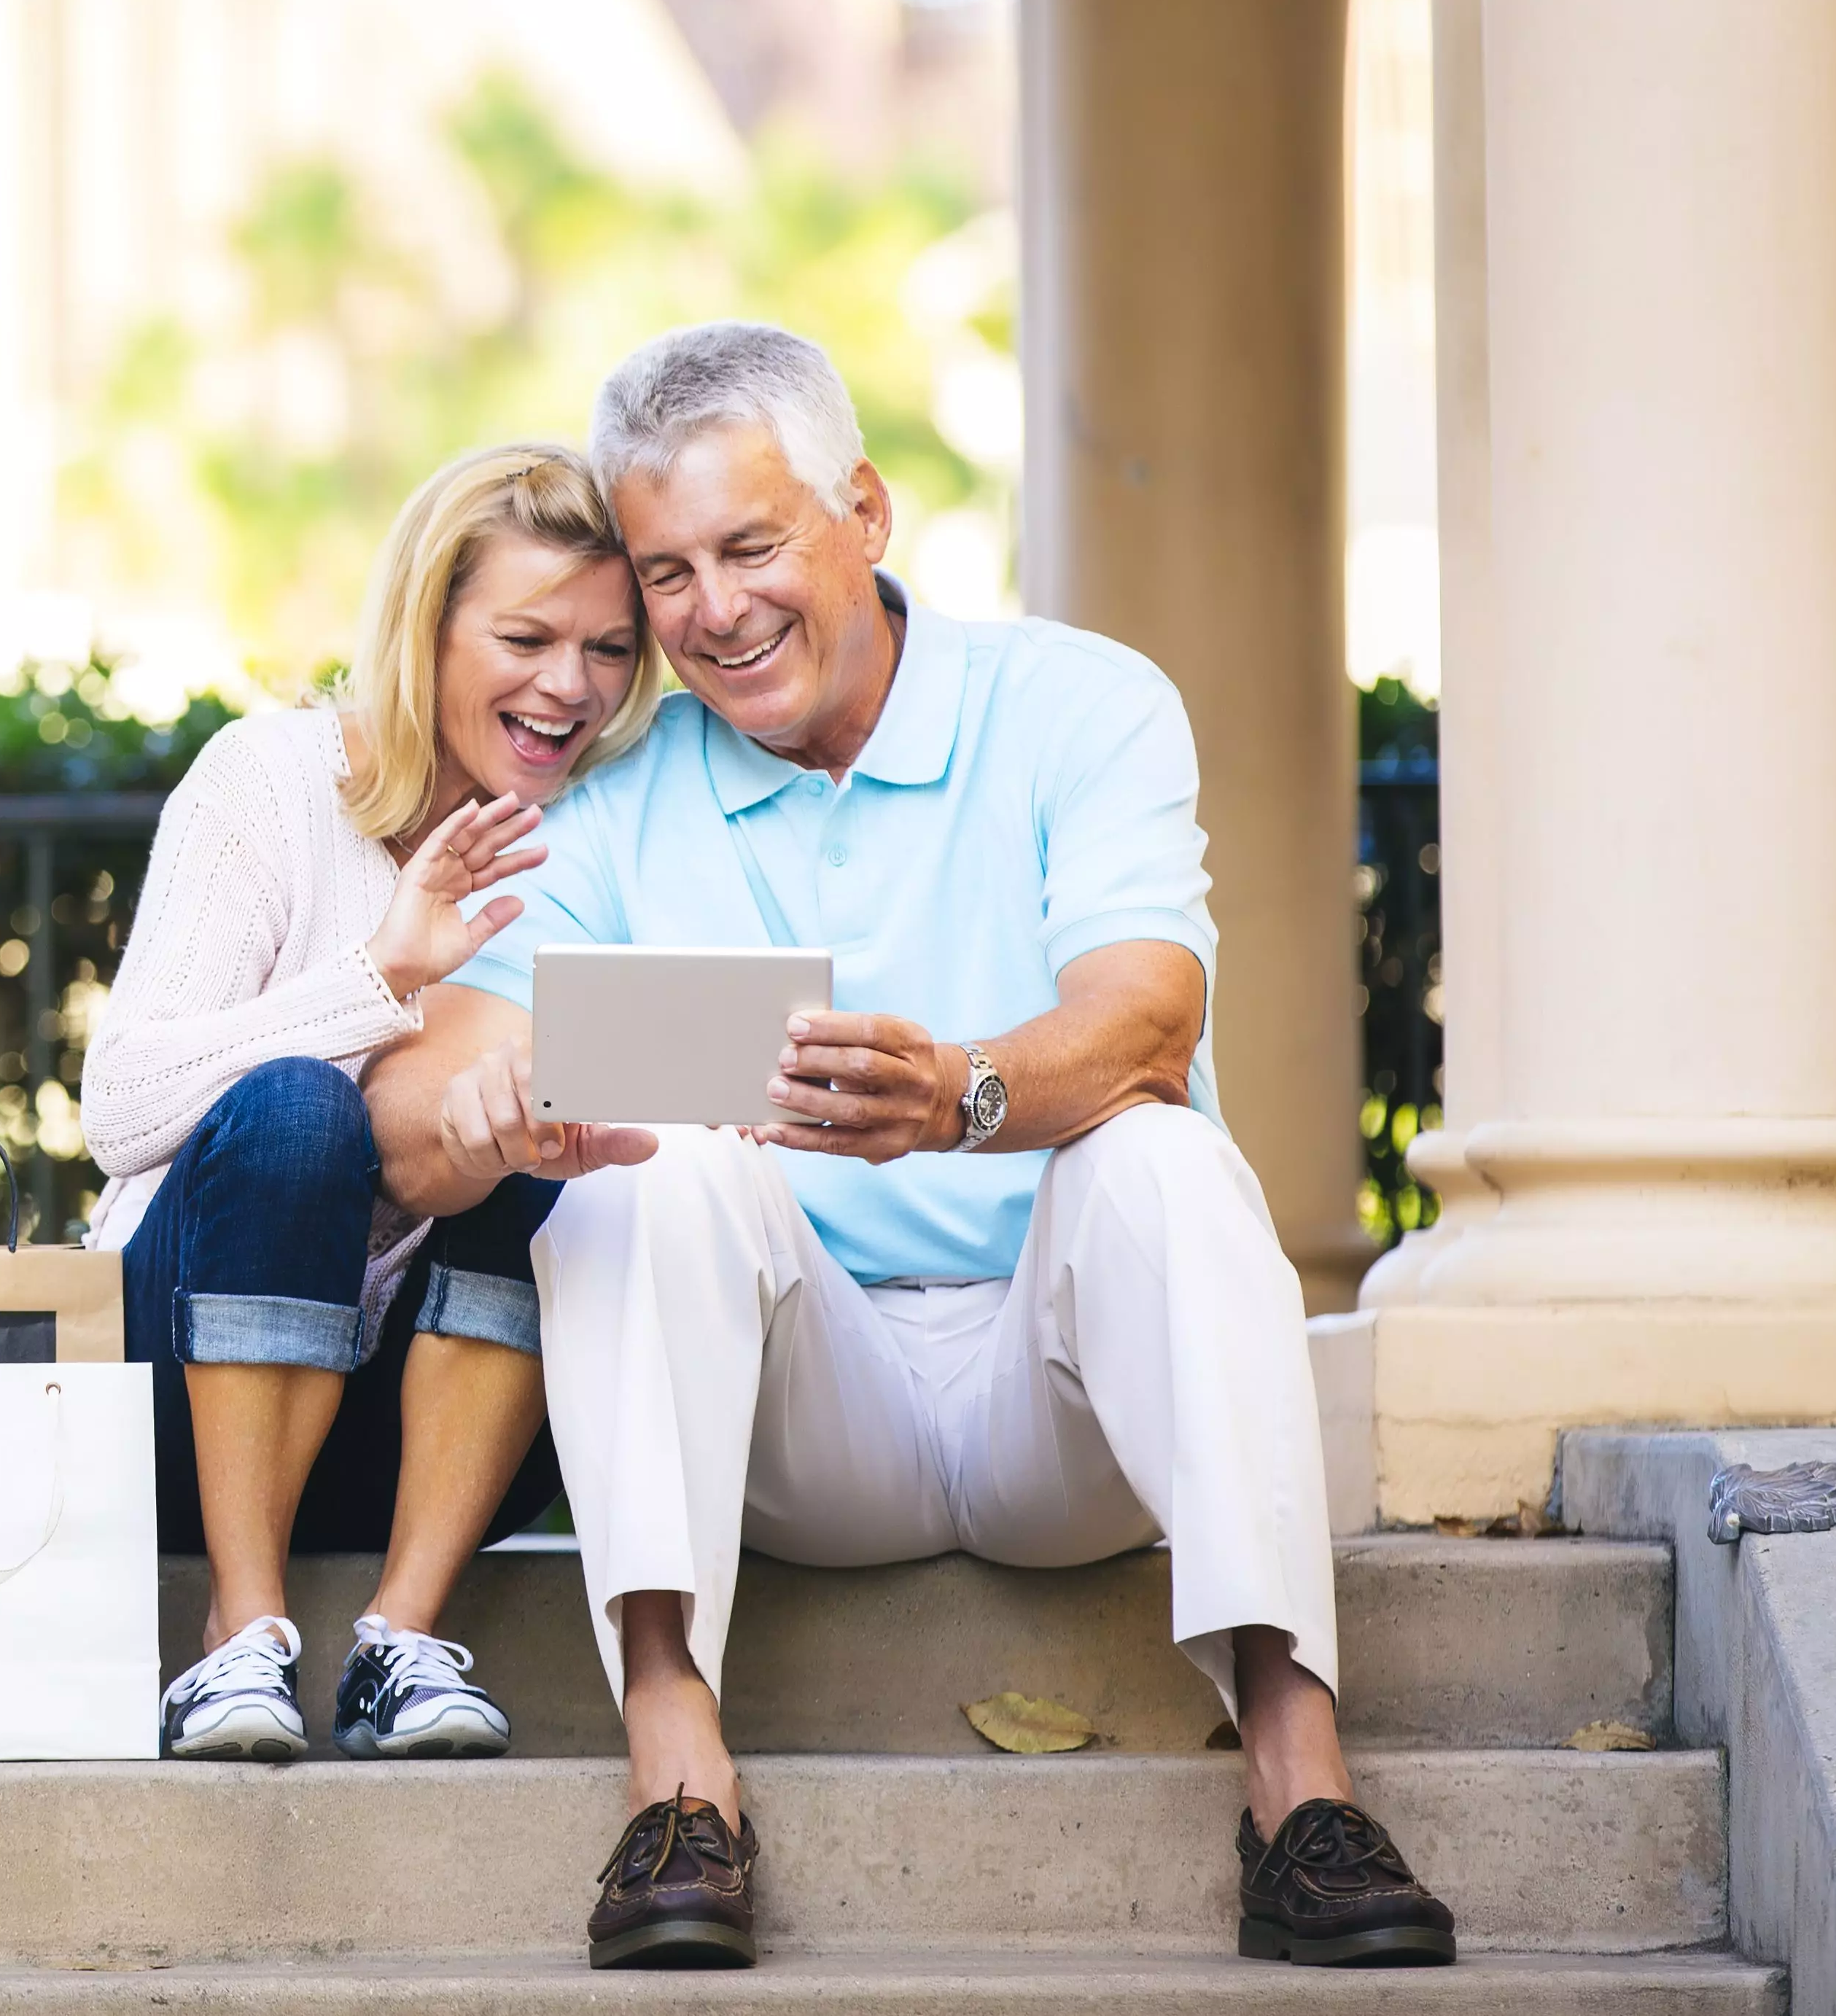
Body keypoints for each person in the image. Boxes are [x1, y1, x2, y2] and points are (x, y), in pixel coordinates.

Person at [361, 323, 1456, 1972]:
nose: (711, 613)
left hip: (1062, 1396)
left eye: (749, 546)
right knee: (639, 1166)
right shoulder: (613, 801)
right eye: (665, 575)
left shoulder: (1078, 704)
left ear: (862, 512)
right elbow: (414, 1096)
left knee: (1158, 1154)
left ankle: (1299, 1790)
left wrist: (967, 1094)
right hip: (813, 1424)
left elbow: (1146, 1015)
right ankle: (678, 1779)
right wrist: (486, 1107)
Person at [81, 442, 653, 1764]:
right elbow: (122, 1109)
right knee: (296, 1111)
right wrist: (383, 975)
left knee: (548, 1106)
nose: (570, 687)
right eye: (526, 635)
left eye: (611, 650)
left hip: (424, 1427)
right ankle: (239, 1630)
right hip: (178, 1394)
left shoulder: (594, 825)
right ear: (426, 626)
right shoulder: (269, 781)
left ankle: (401, 1637)